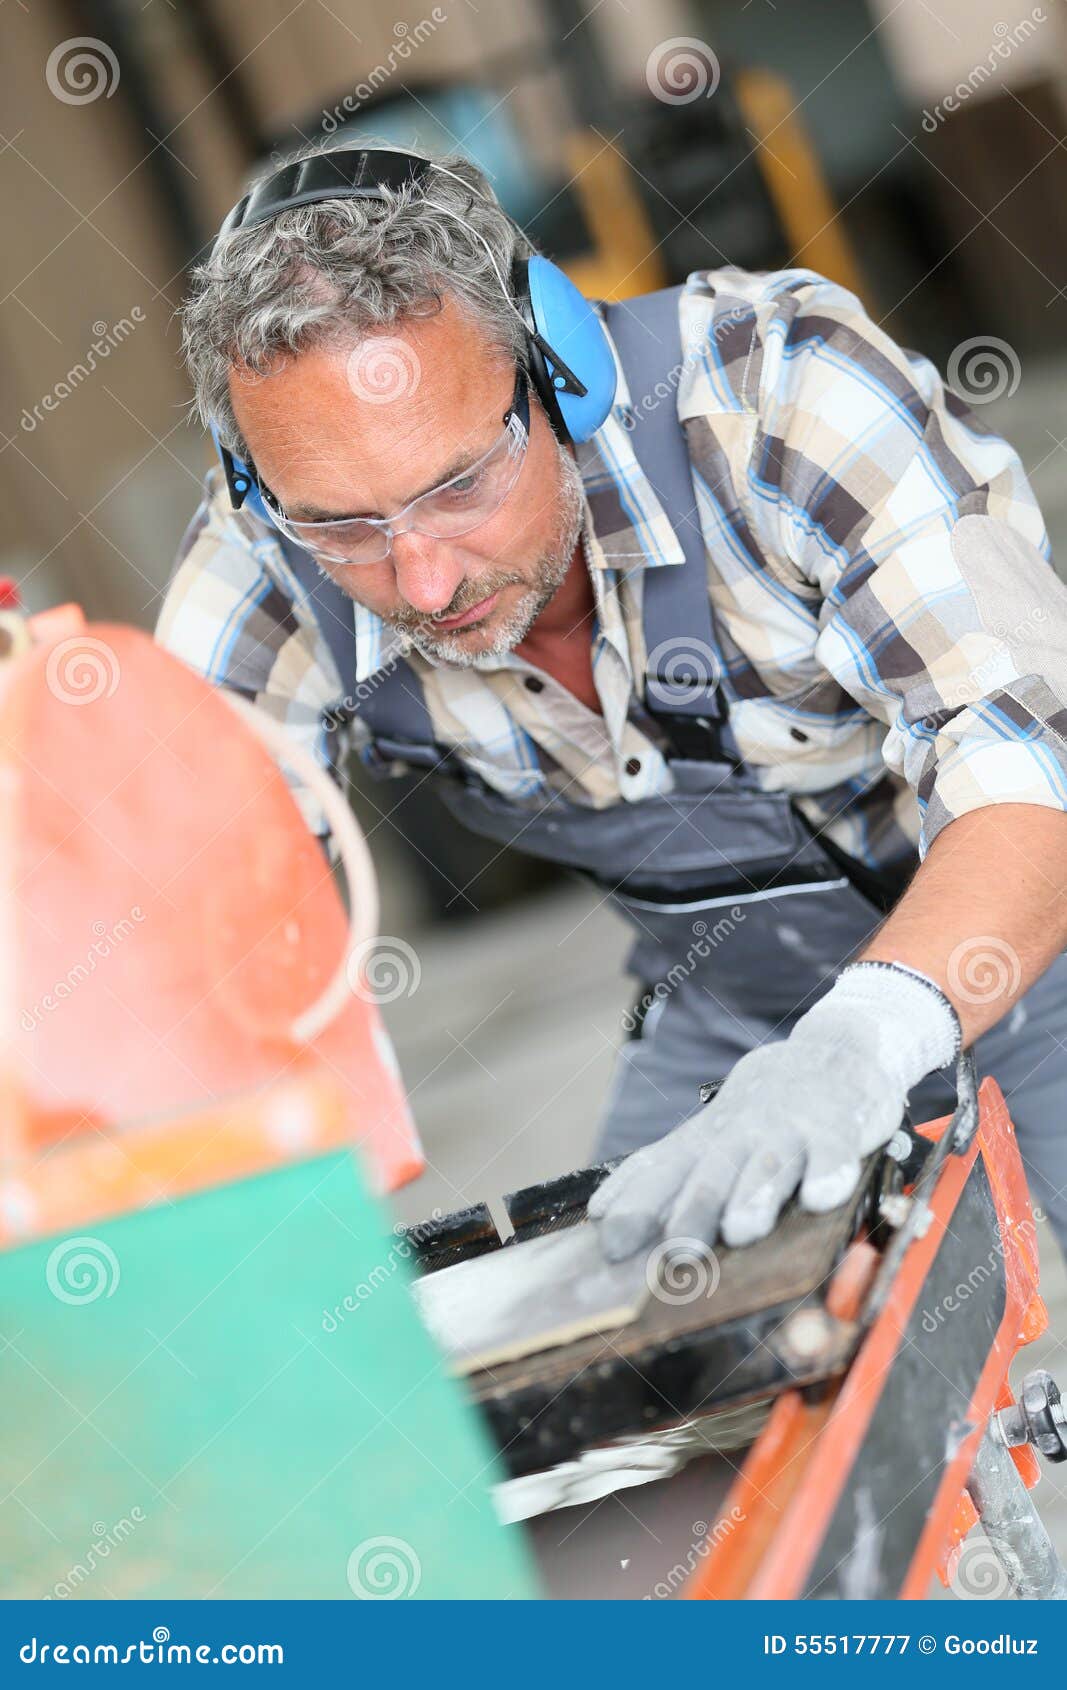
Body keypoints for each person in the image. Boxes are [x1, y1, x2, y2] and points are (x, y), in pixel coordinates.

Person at [159, 140, 1067, 1262]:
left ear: (558, 366)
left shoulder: (780, 396)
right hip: (735, 1017)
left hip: (1026, 935)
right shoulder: (267, 553)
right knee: (645, 1357)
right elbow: (187, 931)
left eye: (458, 485)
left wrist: (864, 1039)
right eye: (346, 525)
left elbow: (1029, 753)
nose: (423, 580)